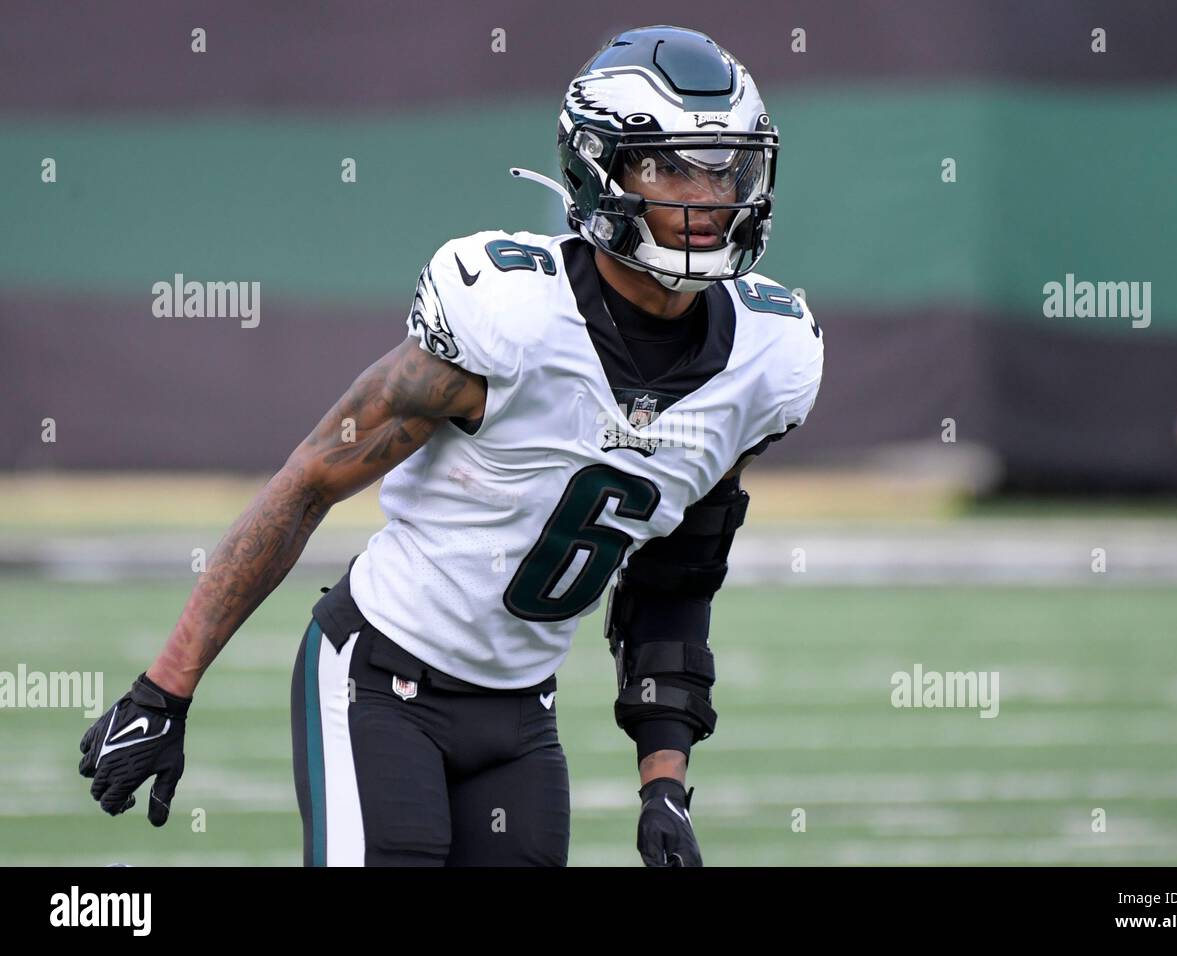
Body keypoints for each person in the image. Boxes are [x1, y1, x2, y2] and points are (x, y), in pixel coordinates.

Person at [78, 24, 824, 867]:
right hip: (377, 683)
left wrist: (664, 782)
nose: (710, 195)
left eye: (728, 167)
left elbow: (676, 577)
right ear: (599, 167)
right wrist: (165, 689)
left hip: (521, 720)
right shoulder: (507, 318)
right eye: (670, 166)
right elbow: (309, 484)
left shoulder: (769, 359)